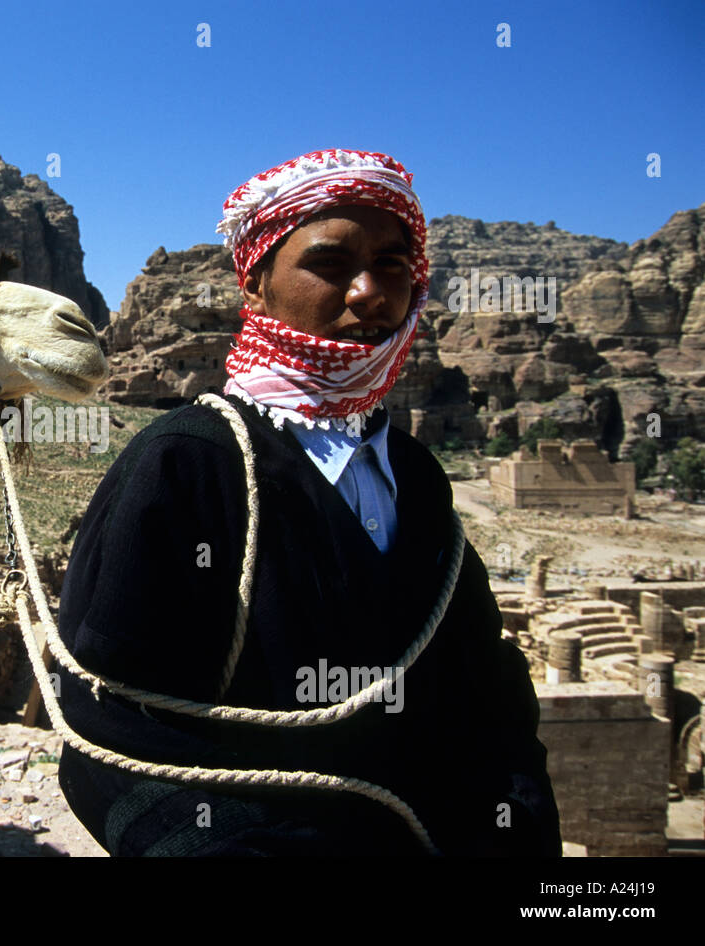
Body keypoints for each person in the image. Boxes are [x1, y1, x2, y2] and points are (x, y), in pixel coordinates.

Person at [55, 149, 562, 856]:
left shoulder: (413, 472)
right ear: (255, 286)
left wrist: (517, 827)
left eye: (392, 265)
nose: (368, 293)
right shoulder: (188, 463)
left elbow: (485, 688)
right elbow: (110, 726)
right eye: (330, 264)